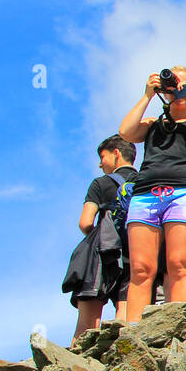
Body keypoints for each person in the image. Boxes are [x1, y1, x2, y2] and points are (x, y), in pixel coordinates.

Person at [117, 66, 186, 321]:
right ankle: (134, 330)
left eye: (183, 83)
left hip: (183, 193)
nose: (176, 86)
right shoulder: (153, 124)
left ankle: (177, 328)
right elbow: (126, 132)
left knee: (179, 265)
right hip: (145, 195)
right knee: (140, 269)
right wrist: (148, 95)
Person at [70, 136, 136, 339]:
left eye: (102, 157)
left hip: (102, 252)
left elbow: (85, 222)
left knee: (87, 322)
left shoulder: (101, 183)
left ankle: (80, 365)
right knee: (125, 313)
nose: (100, 164)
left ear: (116, 153)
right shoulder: (144, 181)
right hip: (135, 250)